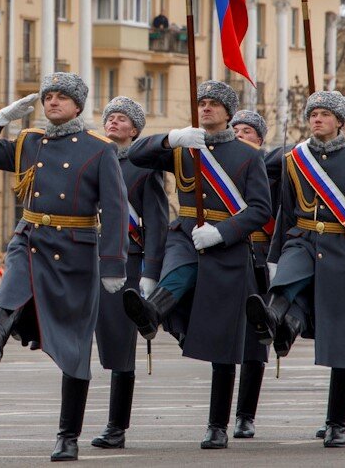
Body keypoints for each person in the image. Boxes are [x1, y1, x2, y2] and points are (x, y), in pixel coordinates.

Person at [0, 72, 128, 461]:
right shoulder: (28, 142)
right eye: (48, 96)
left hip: (76, 251)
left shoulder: (99, 149)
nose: (51, 102)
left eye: (61, 97)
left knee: (74, 347)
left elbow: (116, 210)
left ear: (77, 106)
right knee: (12, 285)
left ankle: (67, 435)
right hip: (31, 237)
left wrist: (113, 264)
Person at [122, 81, 271, 450]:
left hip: (226, 247)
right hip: (185, 233)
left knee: (223, 344)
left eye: (213, 105)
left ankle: (218, 425)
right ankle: (150, 313)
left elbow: (260, 210)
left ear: (227, 113)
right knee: (178, 275)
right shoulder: (185, 147)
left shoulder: (248, 156)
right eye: (201, 103)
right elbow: (136, 154)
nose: (205, 109)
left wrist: (222, 233)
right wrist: (171, 137)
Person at [248, 90, 345, 448]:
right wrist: (274, 258)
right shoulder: (296, 159)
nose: (317, 119)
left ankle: (337, 423)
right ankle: (269, 318)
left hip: (344, 251)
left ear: (340, 122)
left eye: (325, 114)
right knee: (286, 283)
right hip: (302, 239)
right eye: (313, 114)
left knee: (341, 343)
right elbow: (285, 214)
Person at [90, 97, 167, 450]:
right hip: (89, 260)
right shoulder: (90, 160)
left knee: (121, 346)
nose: (113, 123)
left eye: (121, 119)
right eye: (110, 118)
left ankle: (116, 426)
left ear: (134, 130)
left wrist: (151, 272)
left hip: (128, 263)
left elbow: (156, 221)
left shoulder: (145, 168)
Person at [227, 109, 277, 440]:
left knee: (255, 341)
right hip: (225, 254)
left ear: (259, 140)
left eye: (248, 131)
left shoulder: (270, 167)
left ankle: (245, 415)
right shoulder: (217, 166)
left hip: (258, 256)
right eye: (236, 130)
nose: (241, 134)